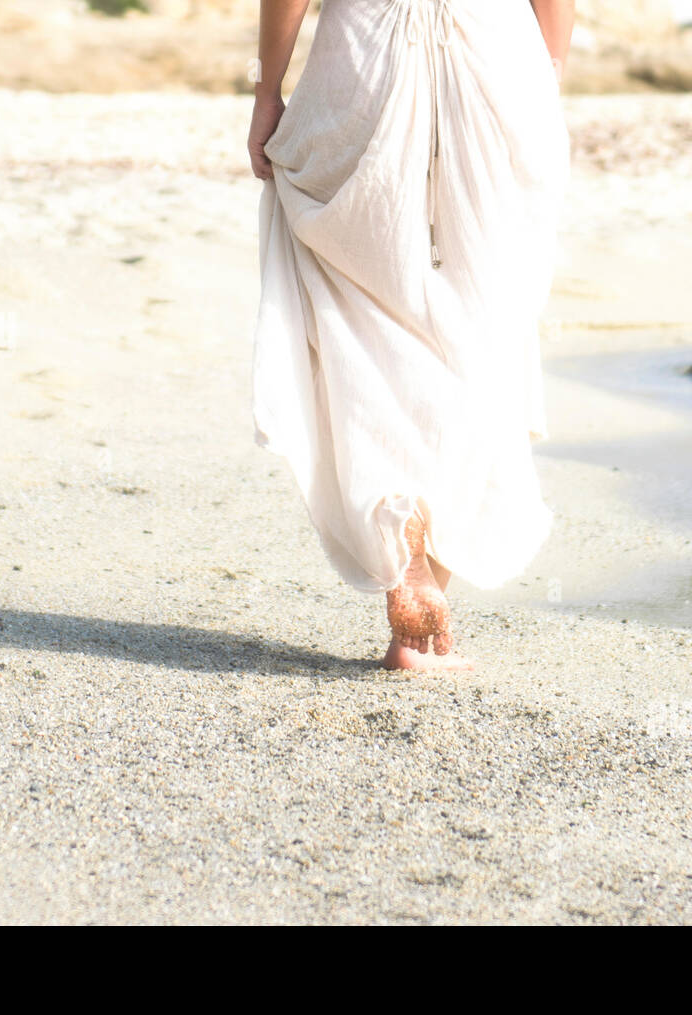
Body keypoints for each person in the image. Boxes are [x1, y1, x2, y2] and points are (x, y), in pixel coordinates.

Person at [248, 0, 574, 671]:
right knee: (486, 316)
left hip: (364, 53)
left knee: (359, 301)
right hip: (497, 53)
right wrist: (550, 74)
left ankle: (400, 533)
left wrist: (268, 89)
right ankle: (417, 620)